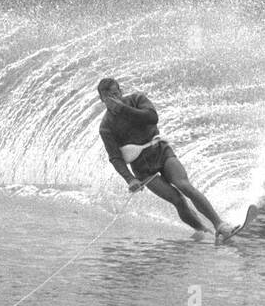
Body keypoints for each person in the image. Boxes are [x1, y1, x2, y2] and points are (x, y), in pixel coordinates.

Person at [97, 77, 228, 238]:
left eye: (115, 94)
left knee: (183, 185)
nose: (113, 99)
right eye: (108, 97)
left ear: (121, 92)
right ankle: (204, 231)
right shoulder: (106, 127)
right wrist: (130, 179)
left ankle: (220, 225)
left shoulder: (137, 99)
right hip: (142, 169)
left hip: (160, 151)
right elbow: (115, 157)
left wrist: (123, 109)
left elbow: (152, 118)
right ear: (102, 99)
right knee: (177, 200)